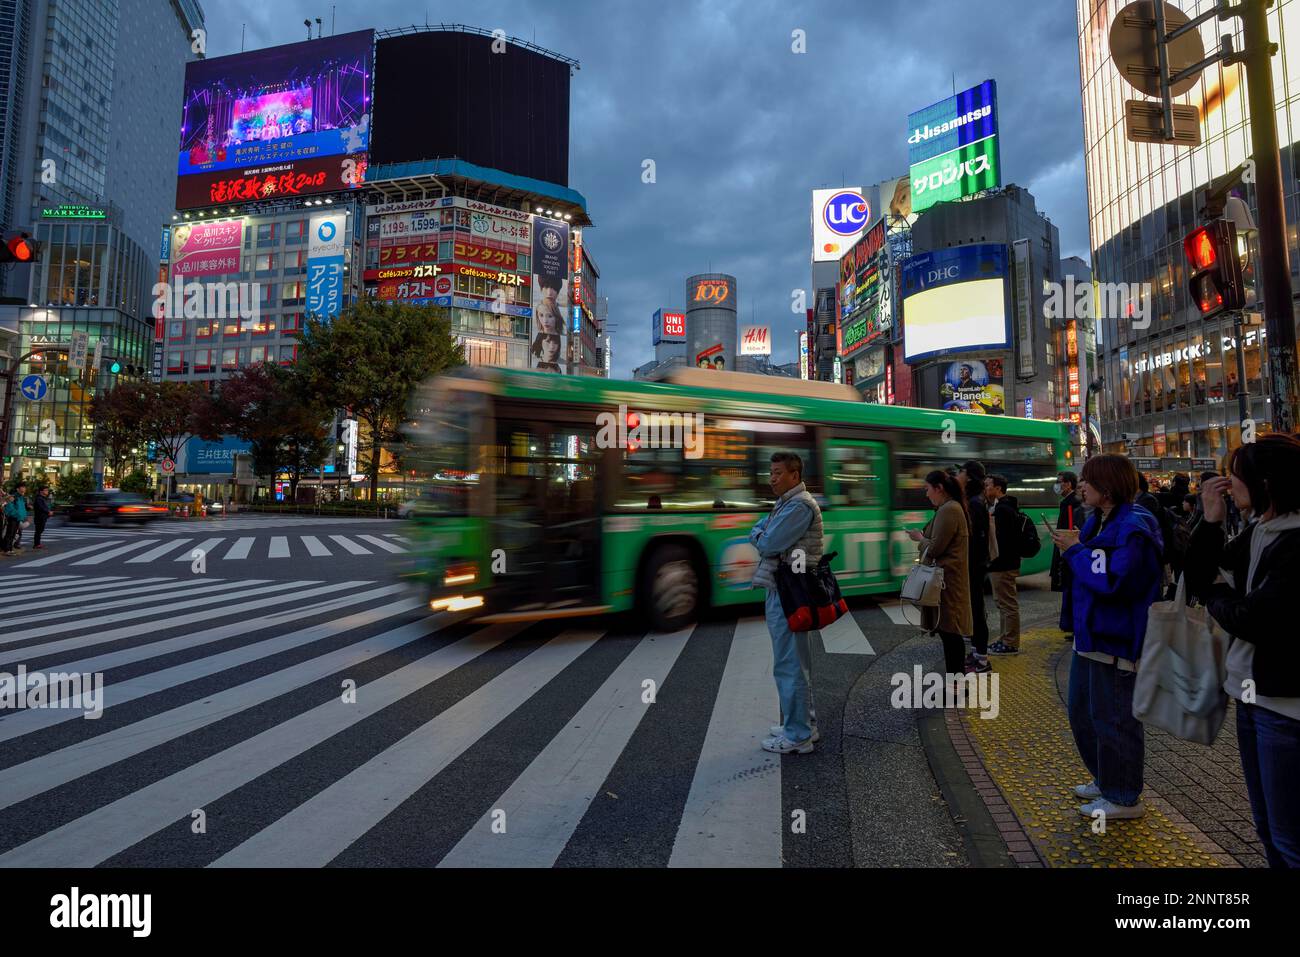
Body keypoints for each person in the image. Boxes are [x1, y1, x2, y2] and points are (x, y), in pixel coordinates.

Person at [1183, 434, 1300, 867]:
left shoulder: (1294, 541)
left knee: (1290, 837)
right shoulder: (1261, 530)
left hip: (1286, 706)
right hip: (1252, 696)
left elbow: (1255, 618)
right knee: (1268, 826)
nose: (1229, 484)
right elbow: (1197, 575)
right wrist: (1210, 520)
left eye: (1238, 476)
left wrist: (1217, 596)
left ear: (1266, 483)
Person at [1050, 454, 1164, 821]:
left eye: (1088, 480)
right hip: (1091, 636)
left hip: (1116, 640)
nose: (1081, 485)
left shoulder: (1134, 526)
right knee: (1085, 714)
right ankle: (1106, 779)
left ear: (1109, 487)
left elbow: (1113, 582)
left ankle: (1123, 795)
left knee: (1114, 719)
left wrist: (1076, 550)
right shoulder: (1099, 520)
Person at [749, 452, 824, 755]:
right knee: (794, 663)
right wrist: (762, 533)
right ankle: (803, 723)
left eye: (778, 473)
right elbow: (762, 530)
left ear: (795, 475)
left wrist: (760, 535)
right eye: (771, 472)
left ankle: (798, 735)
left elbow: (767, 541)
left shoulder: (798, 506)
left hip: (790, 591)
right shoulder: (786, 504)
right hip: (786, 588)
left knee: (789, 664)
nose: (772, 478)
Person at [906, 470, 973, 676]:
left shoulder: (949, 509)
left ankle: (957, 687)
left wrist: (920, 538)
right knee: (949, 634)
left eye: (928, 489)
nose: (927, 495)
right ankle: (956, 685)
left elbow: (935, 548)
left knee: (951, 635)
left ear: (939, 488)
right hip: (947, 582)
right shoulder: (950, 508)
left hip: (947, 584)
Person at [955, 460, 992, 673]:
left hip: (973, 565)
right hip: (974, 564)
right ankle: (978, 652)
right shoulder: (975, 500)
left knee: (976, 610)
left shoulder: (975, 503)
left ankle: (982, 659)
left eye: (961, 472)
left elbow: (975, 539)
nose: (957, 475)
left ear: (968, 476)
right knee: (974, 609)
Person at [984, 473, 1023, 655]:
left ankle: (1010, 642)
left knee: (1007, 604)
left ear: (998, 488)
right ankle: (1004, 638)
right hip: (1005, 563)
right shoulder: (1005, 507)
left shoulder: (1002, 510)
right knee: (1003, 603)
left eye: (988, 485)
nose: (985, 488)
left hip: (1003, 564)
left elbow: (1000, 540)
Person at [1051, 471, 1084, 599]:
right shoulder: (1066, 501)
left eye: (1059, 482)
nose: (1056, 485)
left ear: (1069, 484)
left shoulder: (1072, 502)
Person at [2, 482, 30, 555]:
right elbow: (10, 507)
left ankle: (10, 549)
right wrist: (17, 515)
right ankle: (6, 549)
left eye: (25, 487)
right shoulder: (14, 496)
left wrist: (24, 516)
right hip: (13, 517)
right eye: (22, 487)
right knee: (10, 533)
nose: (24, 488)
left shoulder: (21, 497)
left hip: (18, 518)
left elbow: (22, 508)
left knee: (13, 533)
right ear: (18, 489)